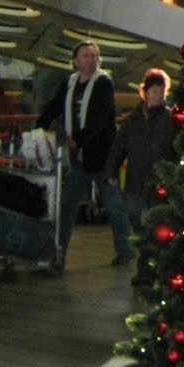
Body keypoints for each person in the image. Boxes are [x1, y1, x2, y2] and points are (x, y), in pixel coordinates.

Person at [43, 40, 131, 269]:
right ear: (76, 61)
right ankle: (57, 250)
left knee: (113, 204)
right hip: (79, 157)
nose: (92, 60)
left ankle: (125, 249)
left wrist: (77, 141)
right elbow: (55, 106)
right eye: (86, 56)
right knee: (68, 205)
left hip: (102, 156)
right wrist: (40, 126)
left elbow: (99, 118)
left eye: (94, 56)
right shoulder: (70, 83)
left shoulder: (103, 83)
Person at [105, 68, 175, 285]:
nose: (158, 96)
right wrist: (112, 170)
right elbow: (119, 147)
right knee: (141, 228)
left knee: (153, 230)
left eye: (161, 92)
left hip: (158, 185)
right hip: (137, 183)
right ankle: (148, 271)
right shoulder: (134, 120)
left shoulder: (170, 119)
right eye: (154, 91)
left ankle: (147, 272)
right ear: (146, 92)